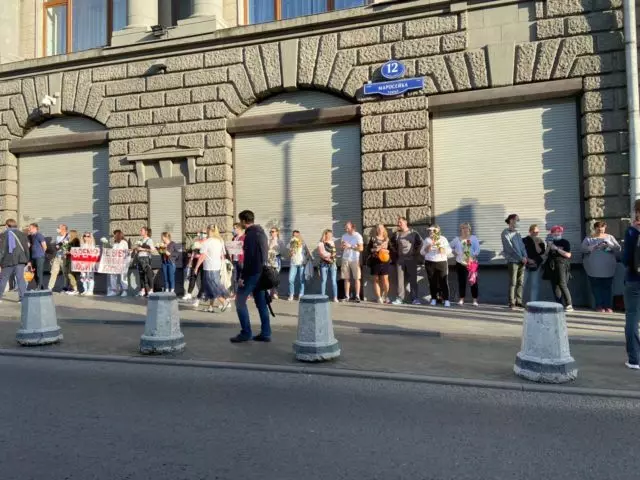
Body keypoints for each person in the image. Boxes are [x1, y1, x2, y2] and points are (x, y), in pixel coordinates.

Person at [232, 210, 270, 343]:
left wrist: (242, 276)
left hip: (253, 273)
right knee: (261, 303)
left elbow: (249, 258)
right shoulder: (262, 232)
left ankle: (246, 332)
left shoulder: (250, 235)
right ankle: (266, 333)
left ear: (243, 221)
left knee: (239, 301)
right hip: (262, 273)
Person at [581, 221, 621, 313]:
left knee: (607, 287)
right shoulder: (589, 238)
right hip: (593, 268)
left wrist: (608, 245)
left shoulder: (610, 237)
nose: (600, 230)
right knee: (596, 287)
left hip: (608, 267)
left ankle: (608, 306)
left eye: (602, 228)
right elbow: (582, 249)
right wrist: (592, 247)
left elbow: (618, 248)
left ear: (605, 227)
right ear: (594, 228)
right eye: (598, 228)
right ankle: (599, 305)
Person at [194, 225, 231, 313]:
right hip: (217, 266)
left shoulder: (207, 242)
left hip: (209, 267)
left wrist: (196, 267)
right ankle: (210, 306)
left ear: (208, 230)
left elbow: (203, 256)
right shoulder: (220, 241)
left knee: (212, 287)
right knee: (213, 286)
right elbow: (223, 255)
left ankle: (224, 301)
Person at [623, 199, 640, 369]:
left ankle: (635, 359)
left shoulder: (632, 231)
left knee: (632, 317)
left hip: (634, 279)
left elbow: (626, 258)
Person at [389, 217, 423, 305]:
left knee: (413, 280)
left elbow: (420, 243)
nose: (399, 224)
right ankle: (400, 298)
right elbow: (390, 244)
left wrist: (415, 254)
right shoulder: (396, 234)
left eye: (400, 222)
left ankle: (415, 298)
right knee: (400, 280)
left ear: (405, 222)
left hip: (411, 259)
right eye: (398, 222)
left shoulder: (413, 233)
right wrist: (395, 255)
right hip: (400, 260)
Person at [421, 225, 452, 307]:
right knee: (432, 282)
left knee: (443, 281)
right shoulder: (427, 240)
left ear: (438, 231)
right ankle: (434, 299)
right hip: (430, 263)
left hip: (441, 262)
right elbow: (422, 252)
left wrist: (443, 250)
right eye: (430, 231)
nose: (431, 232)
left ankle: (446, 300)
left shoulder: (443, 239)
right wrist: (427, 249)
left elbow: (449, 250)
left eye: (433, 230)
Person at [450, 223, 481, 306]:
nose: (465, 229)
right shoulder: (457, 239)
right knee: (461, 282)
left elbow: (477, 250)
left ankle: (475, 300)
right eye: (463, 228)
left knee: (473, 282)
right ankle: (461, 299)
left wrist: (471, 257)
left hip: (472, 262)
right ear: (460, 229)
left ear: (469, 229)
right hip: (460, 263)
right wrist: (455, 253)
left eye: (466, 228)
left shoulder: (474, 238)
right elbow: (449, 247)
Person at [501, 214, 528, 309]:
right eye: (517, 220)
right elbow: (509, 249)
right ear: (511, 220)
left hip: (522, 261)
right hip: (513, 261)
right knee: (513, 282)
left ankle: (519, 301)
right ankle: (511, 302)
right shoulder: (505, 233)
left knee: (520, 282)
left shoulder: (517, 233)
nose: (518, 222)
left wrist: (525, 257)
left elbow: (522, 247)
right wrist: (521, 258)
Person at [0, 219, 30, 302]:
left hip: (7, 260)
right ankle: (22, 299)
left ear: (7, 225)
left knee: (3, 279)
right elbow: (26, 248)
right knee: (20, 279)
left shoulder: (3, 235)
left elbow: (2, 250)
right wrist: (27, 259)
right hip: (20, 260)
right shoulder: (22, 234)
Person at [545, 225, 573, 312]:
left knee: (562, 284)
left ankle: (569, 304)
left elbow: (568, 255)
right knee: (554, 286)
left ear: (561, 232)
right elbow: (546, 254)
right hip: (552, 265)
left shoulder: (565, 242)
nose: (556, 233)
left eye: (558, 231)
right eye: (554, 232)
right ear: (552, 233)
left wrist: (556, 249)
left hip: (562, 264)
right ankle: (559, 304)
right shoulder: (551, 242)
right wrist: (549, 246)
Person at [367, 224, 391, 304]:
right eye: (378, 228)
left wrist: (388, 251)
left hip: (385, 261)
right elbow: (368, 250)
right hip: (375, 261)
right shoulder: (373, 239)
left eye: (381, 228)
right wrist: (375, 249)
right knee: (376, 280)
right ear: (376, 230)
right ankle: (379, 297)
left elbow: (392, 249)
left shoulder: (387, 239)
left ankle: (385, 296)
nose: (380, 229)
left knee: (385, 279)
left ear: (384, 229)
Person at [340, 221, 364, 303]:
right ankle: (347, 296)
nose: (346, 229)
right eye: (345, 227)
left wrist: (351, 246)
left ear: (352, 227)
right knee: (346, 278)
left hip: (355, 259)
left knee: (357, 278)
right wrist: (343, 247)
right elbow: (342, 247)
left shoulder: (357, 236)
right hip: (345, 258)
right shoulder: (344, 236)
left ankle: (357, 296)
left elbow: (361, 249)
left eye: (347, 227)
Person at [522, 224, 546, 304]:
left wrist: (536, 242)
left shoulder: (540, 241)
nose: (536, 233)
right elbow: (521, 251)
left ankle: (533, 302)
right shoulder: (524, 240)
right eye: (534, 231)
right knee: (522, 284)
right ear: (530, 231)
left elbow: (542, 253)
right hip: (525, 264)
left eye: (537, 232)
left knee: (534, 284)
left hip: (536, 265)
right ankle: (517, 301)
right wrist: (528, 259)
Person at [287, 230, 311, 301]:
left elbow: (308, 253)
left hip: (301, 263)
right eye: (294, 235)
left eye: (297, 235)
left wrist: (306, 260)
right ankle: (291, 294)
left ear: (299, 235)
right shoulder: (290, 243)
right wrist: (291, 252)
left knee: (301, 279)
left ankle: (301, 294)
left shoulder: (303, 243)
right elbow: (288, 255)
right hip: (293, 263)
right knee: (290, 279)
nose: (295, 237)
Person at [47, 224, 70, 292]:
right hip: (57, 256)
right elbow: (56, 248)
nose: (57, 229)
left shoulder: (68, 236)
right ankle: (50, 287)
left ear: (63, 229)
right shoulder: (57, 237)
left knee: (65, 273)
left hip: (64, 257)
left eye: (59, 228)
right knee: (53, 272)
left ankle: (66, 287)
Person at [317, 229, 338, 302]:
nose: (330, 236)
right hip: (324, 263)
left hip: (332, 263)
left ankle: (335, 297)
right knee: (323, 280)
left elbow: (334, 252)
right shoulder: (320, 243)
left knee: (333, 280)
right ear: (325, 235)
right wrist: (327, 258)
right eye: (329, 234)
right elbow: (320, 254)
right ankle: (323, 296)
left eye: (331, 235)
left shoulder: (332, 242)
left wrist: (332, 259)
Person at [107, 230, 129, 297]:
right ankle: (114, 290)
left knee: (123, 276)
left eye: (114, 234)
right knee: (113, 275)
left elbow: (126, 252)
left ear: (118, 235)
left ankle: (124, 290)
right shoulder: (115, 243)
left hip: (122, 262)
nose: (113, 236)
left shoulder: (124, 242)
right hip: (115, 262)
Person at [134, 227, 155, 297]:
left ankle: (151, 290)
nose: (140, 231)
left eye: (141, 230)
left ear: (146, 232)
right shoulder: (140, 240)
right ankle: (142, 290)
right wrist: (136, 249)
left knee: (148, 275)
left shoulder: (149, 240)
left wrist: (142, 249)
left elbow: (152, 250)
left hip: (146, 258)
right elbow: (138, 249)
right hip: (140, 258)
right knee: (141, 275)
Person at [27, 223, 47, 290]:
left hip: (39, 257)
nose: (29, 229)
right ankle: (40, 286)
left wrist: (41, 254)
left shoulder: (39, 235)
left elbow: (44, 246)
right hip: (33, 257)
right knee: (34, 273)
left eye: (30, 227)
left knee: (39, 272)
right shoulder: (30, 236)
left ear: (35, 228)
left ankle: (39, 287)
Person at [267, 227, 285, 299]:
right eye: (271, 232)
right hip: (269, 259)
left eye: (273, 231)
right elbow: (266, 249)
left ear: (277, 232)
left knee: (275, 276)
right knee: (268, 276)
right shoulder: (268, 240)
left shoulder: (280, 241)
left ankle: (274, 291)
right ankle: (268, 292)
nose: (272, 233)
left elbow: (283, 251)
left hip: (277, 258)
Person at [64, 230, 81, 295]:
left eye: (69, 234)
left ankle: (75, 289)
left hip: (73, 259)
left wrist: (69, 252)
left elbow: (76, 250)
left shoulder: (76, 241)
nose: (68, 235)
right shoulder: (69, 241)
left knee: (71, 274)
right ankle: (72, 288)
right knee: (70, 274)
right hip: (69, 258)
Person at [231, 223, 245, 298]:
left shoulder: (244, 237)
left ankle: (245, 294)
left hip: (242, 260)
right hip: (235, 260)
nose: (233, 230)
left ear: (239, 229)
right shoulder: (234, 238)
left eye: (235, 228)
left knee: (243, 278)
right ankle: (236, 293)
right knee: (235, 277)